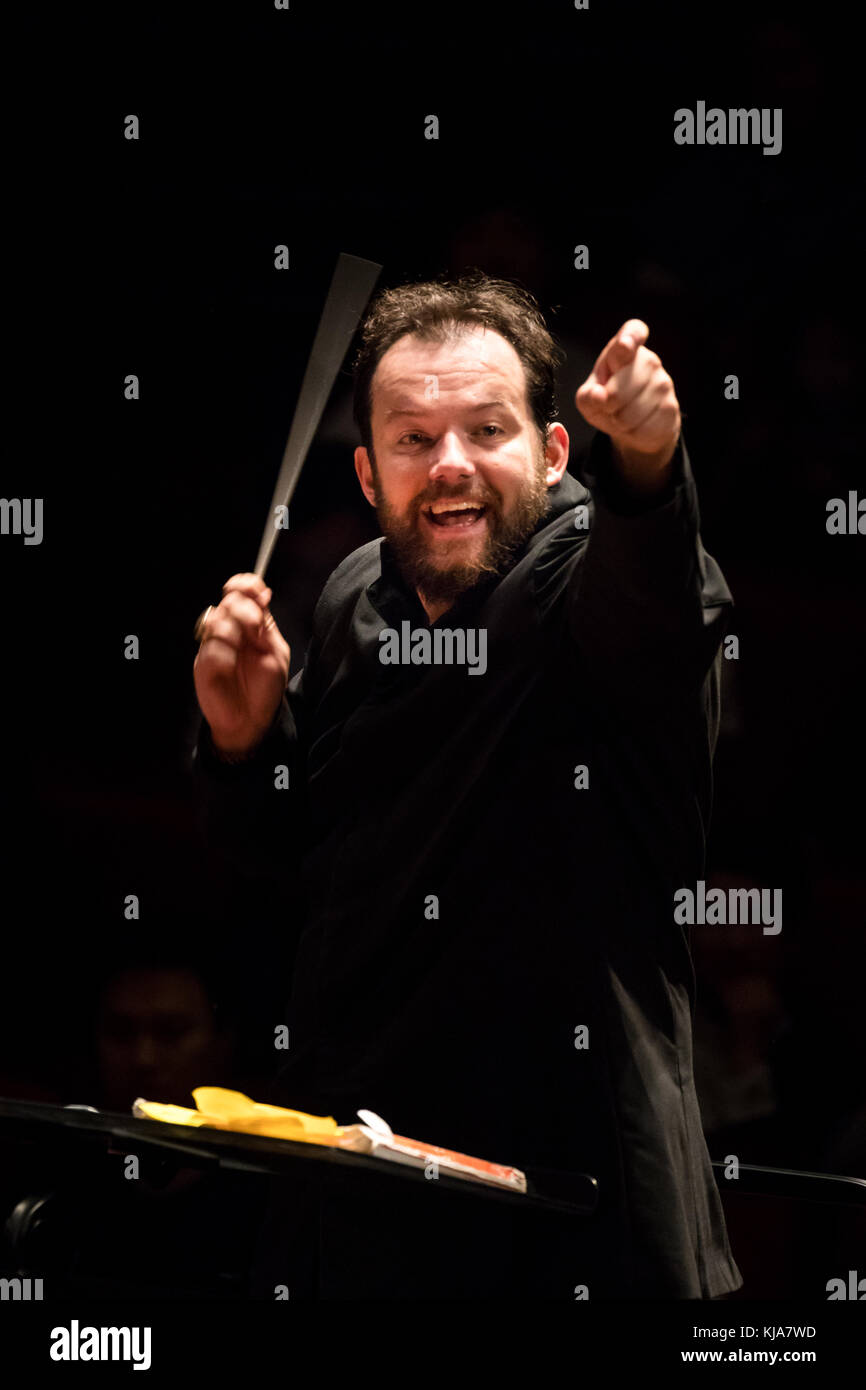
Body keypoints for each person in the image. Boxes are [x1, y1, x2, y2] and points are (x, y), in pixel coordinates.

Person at [191, 273, 742, 1299]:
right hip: (356, 1193)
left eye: (487, 429)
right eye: (412, 438)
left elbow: (649, 595)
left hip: (569, 1205)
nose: (449, 464)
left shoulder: (593, 570)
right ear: (366, 473)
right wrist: (246, 737)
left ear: (553, 451)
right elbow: (288, 861)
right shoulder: (356, 593)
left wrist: (650, 460)